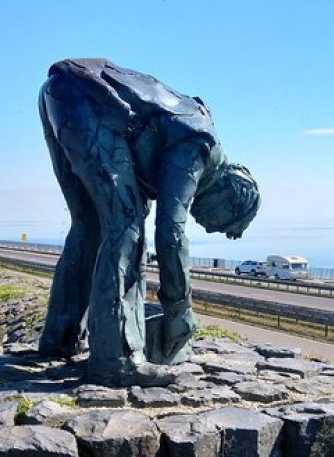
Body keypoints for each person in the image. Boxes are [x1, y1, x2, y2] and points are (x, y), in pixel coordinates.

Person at [37, 58, 260, 382]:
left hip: (63, 94)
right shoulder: (200, 147)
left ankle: (61, 338)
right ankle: (117, 359)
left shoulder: (188, 138)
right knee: (126, 227)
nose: (212, 227)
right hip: (92, 99)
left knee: (90, 226)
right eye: (224, 223)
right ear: (231, 198)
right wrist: (179, 311)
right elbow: (170, 234)